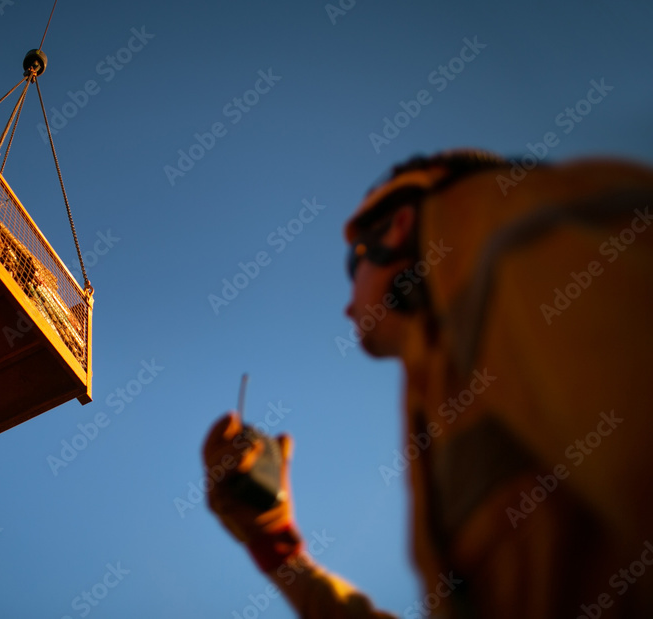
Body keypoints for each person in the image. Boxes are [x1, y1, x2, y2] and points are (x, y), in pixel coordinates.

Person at [203, 149, 653, 617]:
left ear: (395, 228)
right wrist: (276, 545)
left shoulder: (501, 226)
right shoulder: (447, 369)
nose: (346, 307)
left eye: (350, 266)